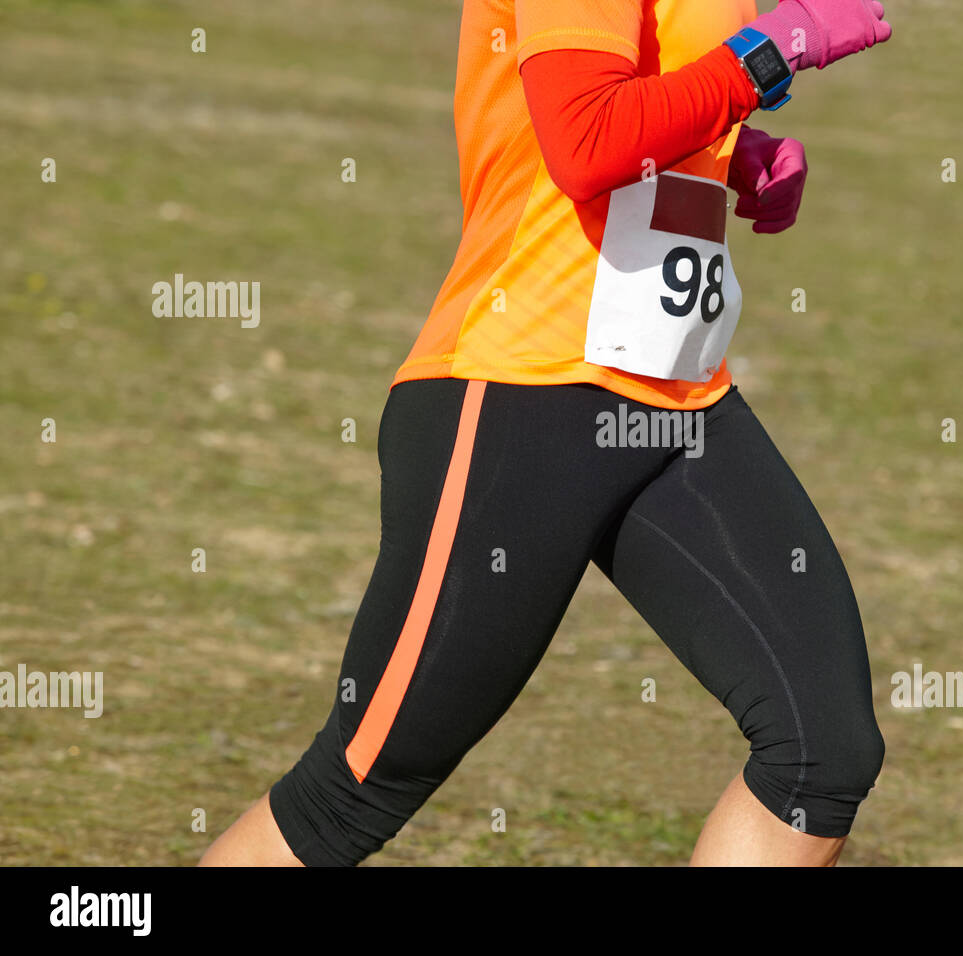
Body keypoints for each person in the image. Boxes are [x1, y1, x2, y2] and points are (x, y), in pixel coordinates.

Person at [200, 0, 892, 867]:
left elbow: (631, 103)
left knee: (821, 748)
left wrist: (722, 157)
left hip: (677, 399)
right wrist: (768, 54)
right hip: (519, 395)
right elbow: (584, 138)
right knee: (355, 791)